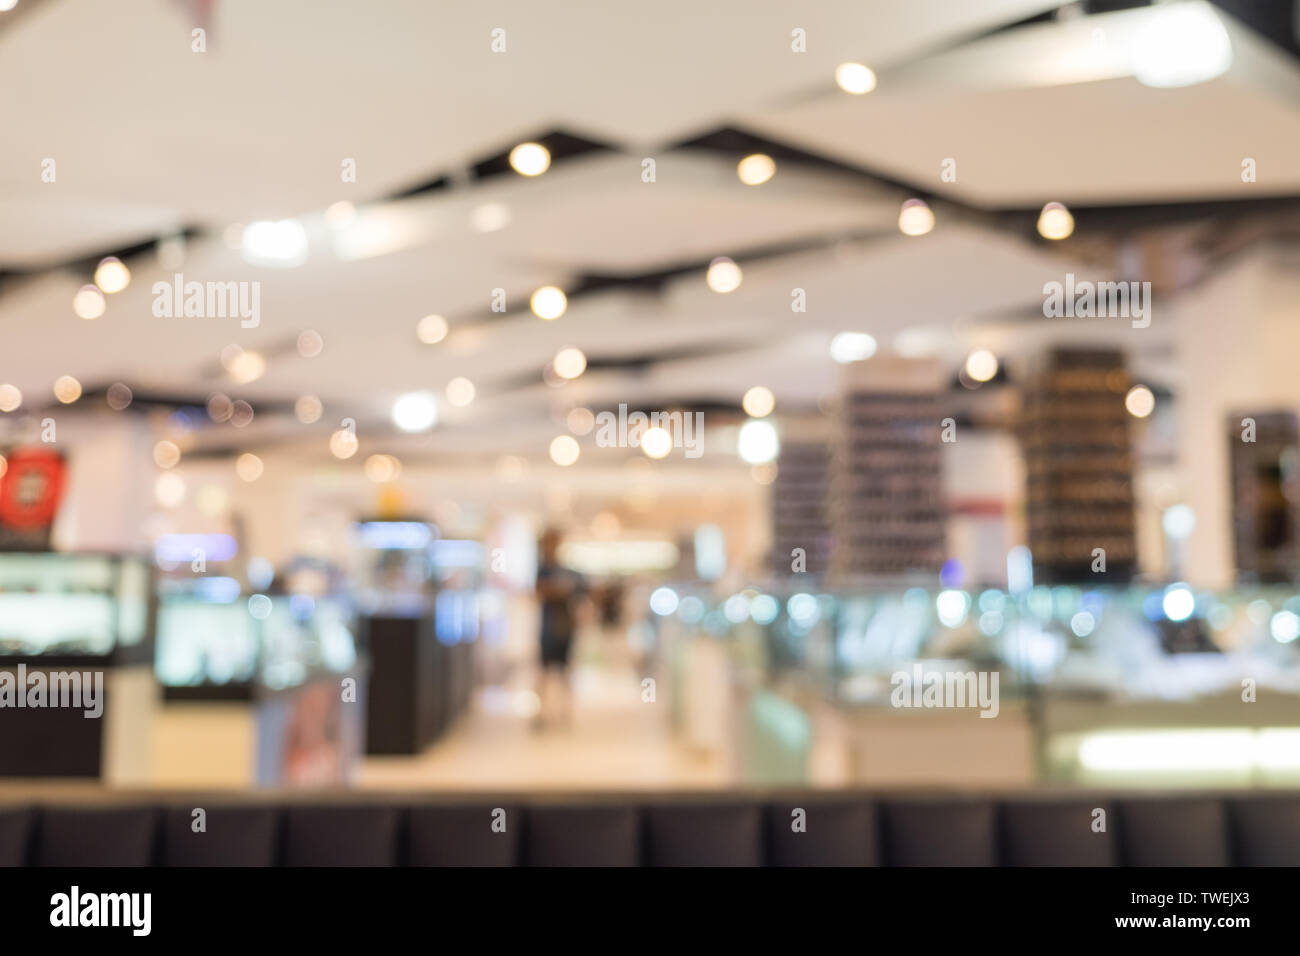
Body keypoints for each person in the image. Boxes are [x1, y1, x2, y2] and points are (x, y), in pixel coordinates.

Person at [534, 527, 584, 730]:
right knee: (545, 674)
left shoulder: (567, 571)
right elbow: (541, 591)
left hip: (564, 629)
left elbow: (577, 592)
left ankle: (565, 712)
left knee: (564, 673)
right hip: (548, 630)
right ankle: (543, 713)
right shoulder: (543, 569)